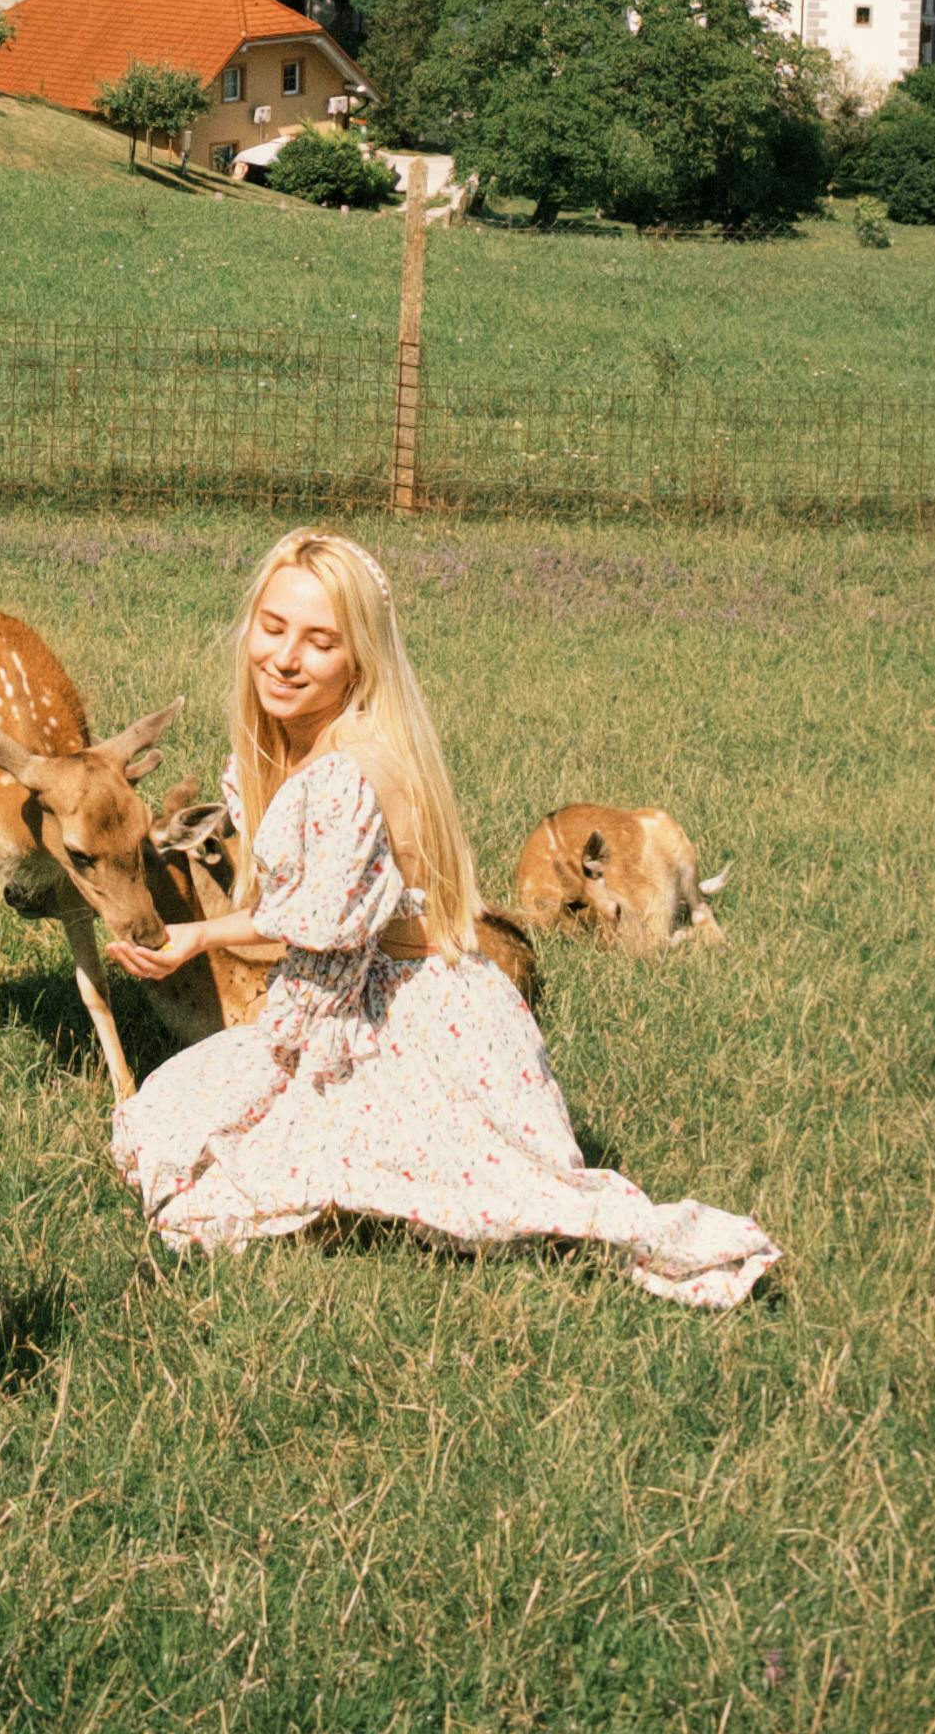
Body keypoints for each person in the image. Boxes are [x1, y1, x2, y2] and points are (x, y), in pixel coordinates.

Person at [104, 529, 779, 1310]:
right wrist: (201, 936)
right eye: (273, 627)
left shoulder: (348, 771)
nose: (284, 658)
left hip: (412, 1017)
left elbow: (320, 931)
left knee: (228, 1182)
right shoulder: (290, 746)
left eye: (320, 641)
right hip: (365, 989)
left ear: (360, 657)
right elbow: (303, 910)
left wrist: (206, 943)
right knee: (167, 1116)